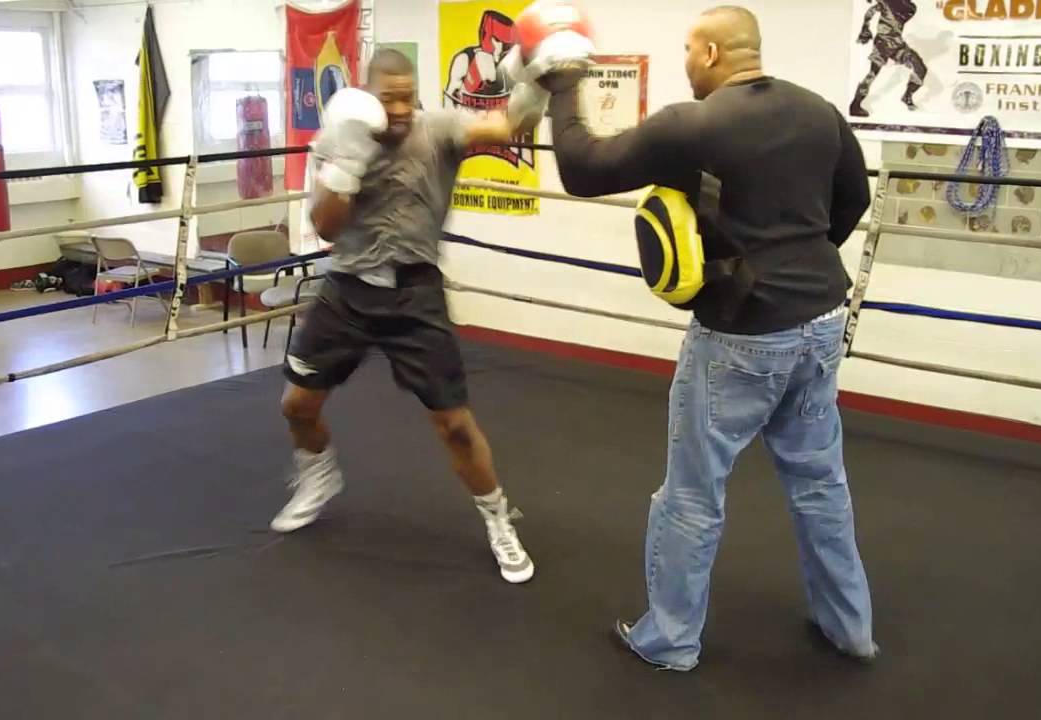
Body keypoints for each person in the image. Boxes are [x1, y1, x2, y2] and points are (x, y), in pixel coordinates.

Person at [531, 6, 879, 668]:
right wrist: (797, 263)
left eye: (690, 50)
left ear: (715, 54)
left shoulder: (693, 125)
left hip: (741, 337)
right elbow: (852, 199)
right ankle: (851, 629)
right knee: (820, 482)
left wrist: (563, 85)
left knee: (692, 492)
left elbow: (583, 168)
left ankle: (670, 640)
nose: (686, 61)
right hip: (823, 323)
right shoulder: (821, 112)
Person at [270, 47, 578, 585]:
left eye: (407, 97)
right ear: (368, 94)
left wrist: (537, 82)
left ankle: (497, 517)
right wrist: (345, 162)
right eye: (388, 98)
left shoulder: (437, 129)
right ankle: (318, 473)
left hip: (415, 293)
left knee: (454, 425)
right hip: (346, 289)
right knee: (296, 405)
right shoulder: (342, 132)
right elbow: (325, 226)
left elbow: (508, 125)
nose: (399, 109)